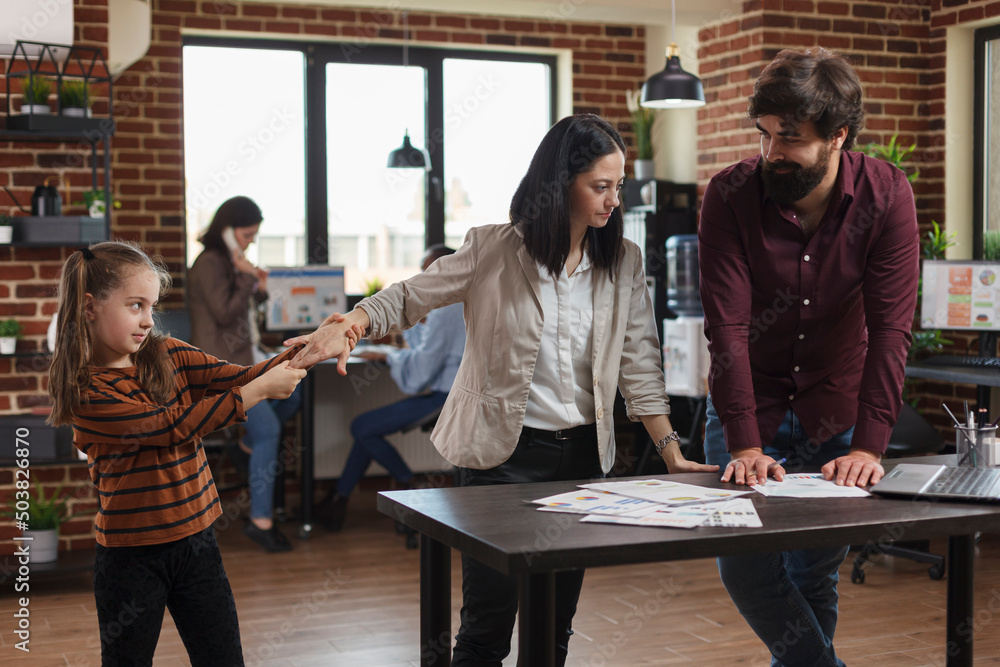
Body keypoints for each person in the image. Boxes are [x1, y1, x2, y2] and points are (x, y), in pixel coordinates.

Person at [287, 113, 718, 666]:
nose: (614, 202)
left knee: (555, 626)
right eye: (600, 187)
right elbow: (409, 296)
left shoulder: (623, 261)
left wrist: (670, 451)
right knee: (487, 626)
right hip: (502, 457)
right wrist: (348, 325)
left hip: (584, 460)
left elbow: (639, 359)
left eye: (619, 187)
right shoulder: (492, 249)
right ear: (560, 183)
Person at [698, 47, 920, 666]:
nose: (771, 152)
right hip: (750, 405)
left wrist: (869, 446)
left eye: (789, 139)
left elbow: (891, 328)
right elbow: (728, 329)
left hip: (835, 409)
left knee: (812, 573)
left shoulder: (885, 195)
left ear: (838, 136)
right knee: (747, 566)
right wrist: (744, 443)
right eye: (764, 135)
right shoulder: (730, 196)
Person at [46, 241, 310, 666]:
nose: (148, 320)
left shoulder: (168, 354)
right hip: (131, 557)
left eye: (151, 307)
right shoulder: (87, 393)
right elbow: (169, 428)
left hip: (198, 543)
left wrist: (313, 347)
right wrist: (258, 391)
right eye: (135, 306)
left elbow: (239, 377)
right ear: (90, 307)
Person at [314, 244, 466, 532]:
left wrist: (388, 356)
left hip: (446, 397)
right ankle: (339, 501)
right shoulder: (453, 302)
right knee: (365, 432)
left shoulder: (447, 308)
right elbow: (427, 351)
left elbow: (421, 373)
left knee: (362, 427)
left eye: (428, 272)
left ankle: (411, 489)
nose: (425, 279)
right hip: (446, 391)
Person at [187, 196, 302, 552]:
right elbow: (223, 313)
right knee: (269, 428)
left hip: (243, 359)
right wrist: (249, 278)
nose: (251, 240)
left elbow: (243, 311)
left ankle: (245, 447)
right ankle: (261, 522)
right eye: (248, 234)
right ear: (228, 229)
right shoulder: (209, 263)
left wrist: (260, 288)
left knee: (296, 394)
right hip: (218, 367)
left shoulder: (231, 262)